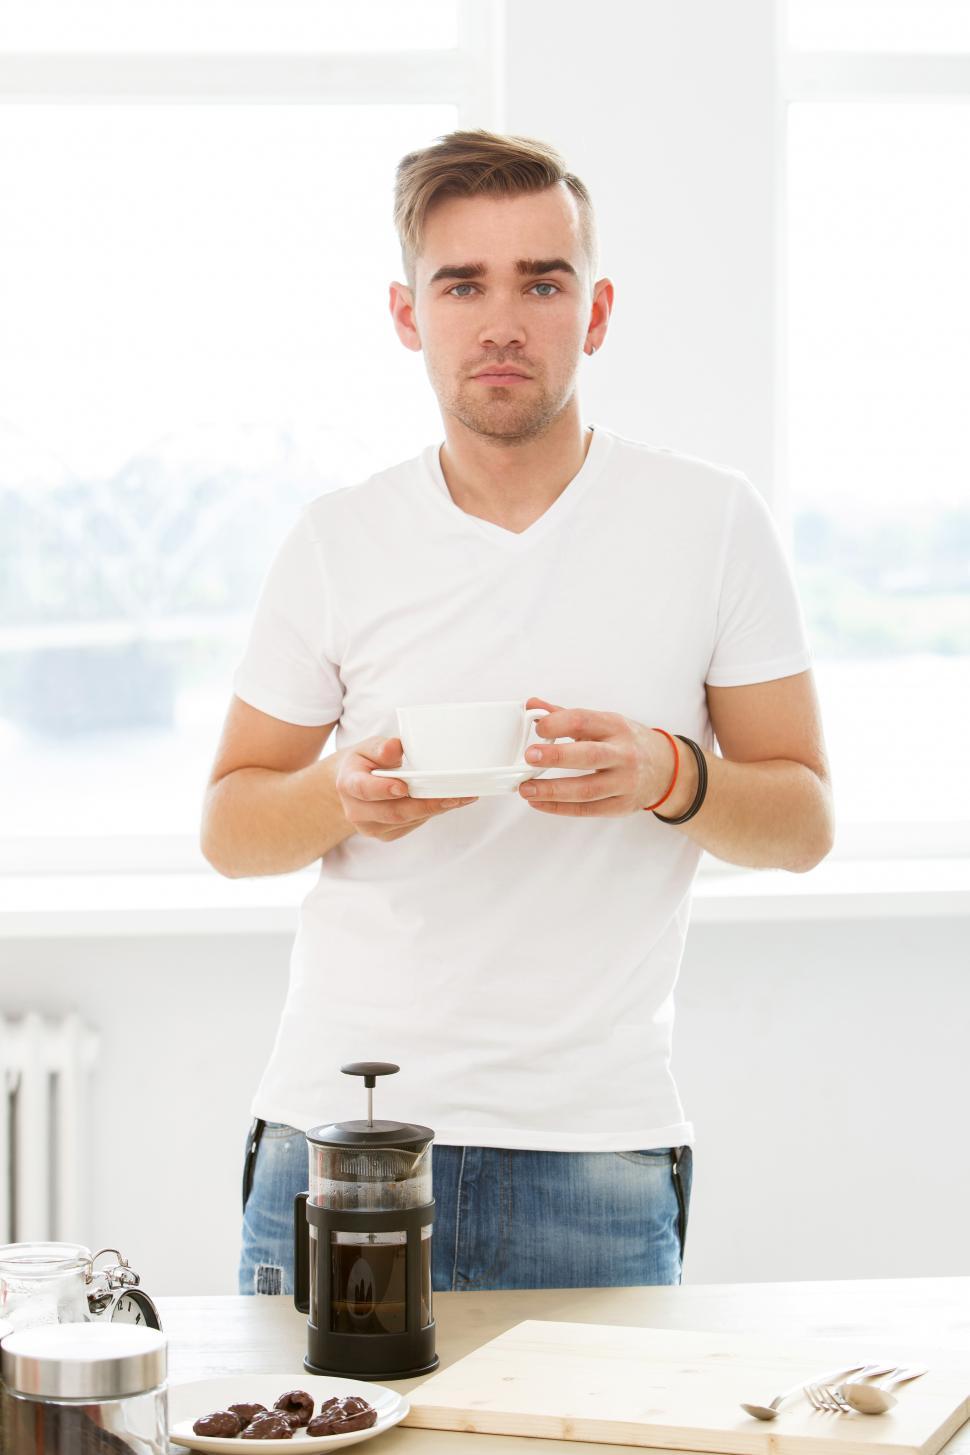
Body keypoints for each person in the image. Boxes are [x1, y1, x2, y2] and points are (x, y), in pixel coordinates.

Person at [201, 128, 833, 1298]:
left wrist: (667, 774)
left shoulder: (710, 523)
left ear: (593, 312)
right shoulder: (339, 540)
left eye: (541, 282)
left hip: (597, 1149)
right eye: (462, 284)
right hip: (340, 1140)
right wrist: (340, 798)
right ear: (408, 314)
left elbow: (801, 820)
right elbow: (231, 826)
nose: (502, 321)